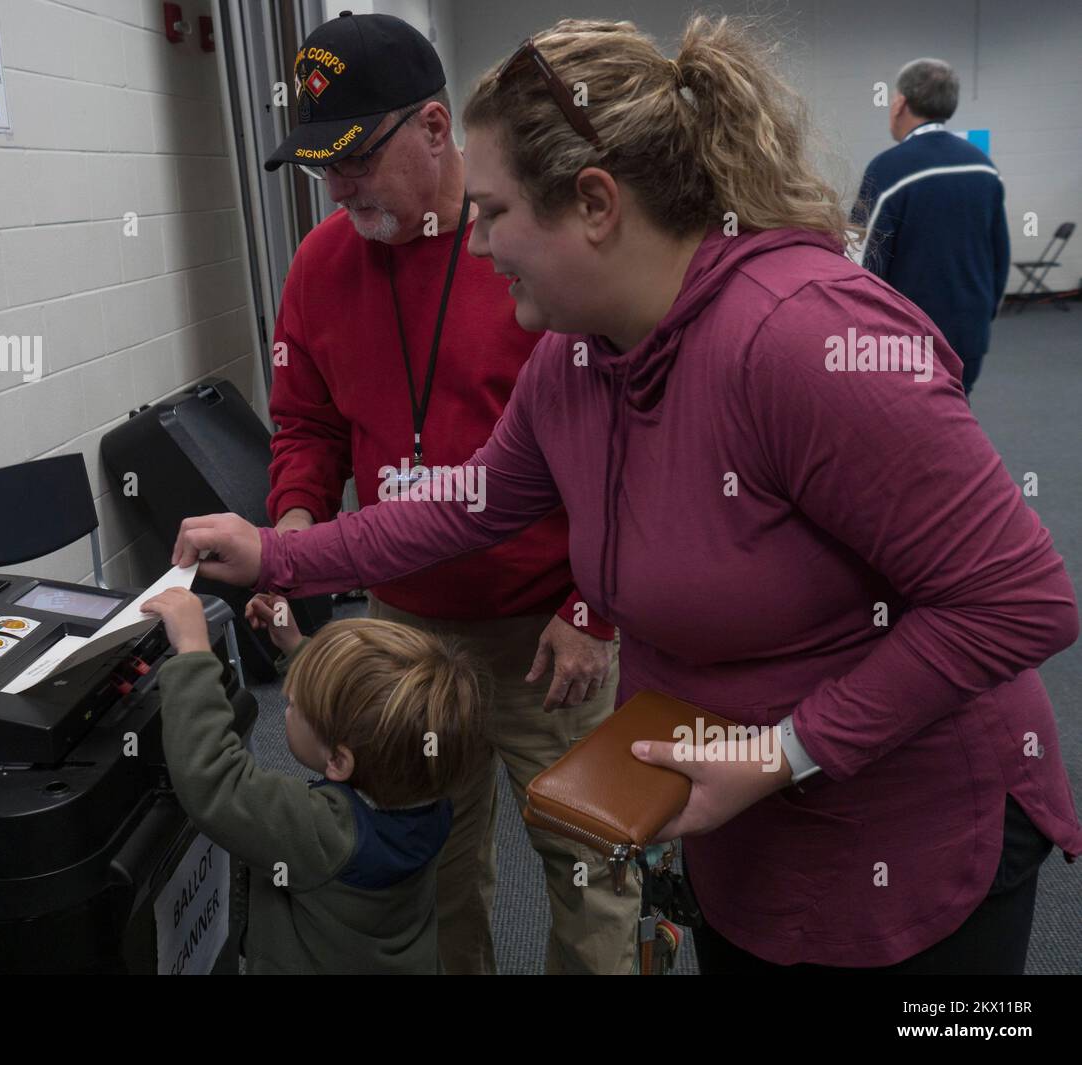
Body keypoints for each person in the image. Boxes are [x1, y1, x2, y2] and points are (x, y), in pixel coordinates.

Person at [170, 15, 1081, 974]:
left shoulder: (802, 339)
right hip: (740, 830)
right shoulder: (576, 356)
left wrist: (784, 752)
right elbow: (463, 506)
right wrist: (277, 551)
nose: (473, 246)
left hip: (908, 836)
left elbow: (1021, 600)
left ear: (596, 204)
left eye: (494, 213)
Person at [254, 10, 636, 974]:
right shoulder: (319, 266)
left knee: (589, 866)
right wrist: (295, 524)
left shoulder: (529, 249)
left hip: (548, 631)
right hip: (405, 631)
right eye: (318, 167)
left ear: (435, 128)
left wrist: (594, 606)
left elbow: (625, 448)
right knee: (432, 872)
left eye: (355, 159)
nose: (338, 189)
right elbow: (307, 423)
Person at [140, 588, 486, 974]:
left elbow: (215, 778)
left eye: (292, 704)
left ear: (338, 760)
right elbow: (368, 712)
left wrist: (193, 650)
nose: (286, 701)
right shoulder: (431, 783)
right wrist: (295, 643)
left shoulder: (325, 833)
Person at [852, 58, 1010, 396]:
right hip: (970, 334)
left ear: (900, 104)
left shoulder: (887, 169)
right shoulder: (984, 167)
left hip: (907, 341)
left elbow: (858, 260)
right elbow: (999, 256)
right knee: (956, 417)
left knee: (905, 432)